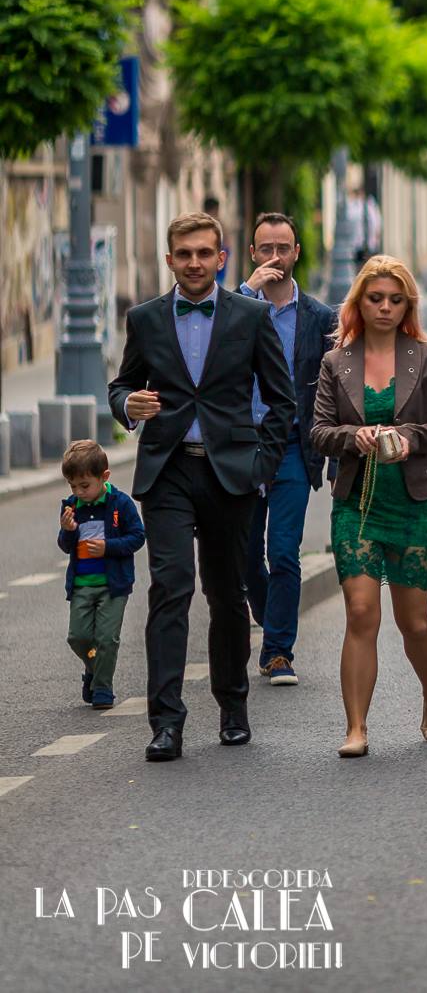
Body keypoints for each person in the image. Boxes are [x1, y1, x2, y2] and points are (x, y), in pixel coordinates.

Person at [108, 211, 294, 763]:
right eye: (183, 254)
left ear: (222, 258)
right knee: (170, 588)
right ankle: (166, 722)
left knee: (227, 594)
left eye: (203, 253)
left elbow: (282, 401)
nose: (193, 262)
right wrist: (126, 405)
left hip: (231, 472)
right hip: (167, 471)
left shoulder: (251, 316)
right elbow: (122, 384)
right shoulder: (144, 319)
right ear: (170, 260)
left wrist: (260, 464)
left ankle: (233, 707)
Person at [311, 257, 427, 758]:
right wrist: (358, 437)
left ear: (407, 306)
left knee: (413, 622)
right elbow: (319, 432)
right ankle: (356, 727)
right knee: (359, 612)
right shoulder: (337, 362)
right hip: (357, 503)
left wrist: (408, 438)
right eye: (376, 298)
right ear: (359, 302)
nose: (385, 308)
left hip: (413, 503)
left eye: (396, 300)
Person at [236, 213, 339, 689]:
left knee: (283, 550)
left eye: (283, 247)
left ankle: (278, 651)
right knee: (242, 555)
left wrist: (337, 458)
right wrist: (246, 291)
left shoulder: (320, 319)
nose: (274, 256)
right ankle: (266, 609)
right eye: (265, 248)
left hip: (294, 447)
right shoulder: (235, 307)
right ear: (253, 253)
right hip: (241, 446)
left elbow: (337, 394)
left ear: (298, 252)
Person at [57, 440, 146, 710]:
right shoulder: (72, 507)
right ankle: (93, 668)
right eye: (73, 486)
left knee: (107, 638)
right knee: (79, 637)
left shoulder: (120, 504)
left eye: (85, 486)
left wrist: (108, 547)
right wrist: (68, 530)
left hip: (112, 585)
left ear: (104, 477)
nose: (79, 492)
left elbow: (137, 537)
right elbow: (65, 546)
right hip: (82, 585)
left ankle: (103, 688)